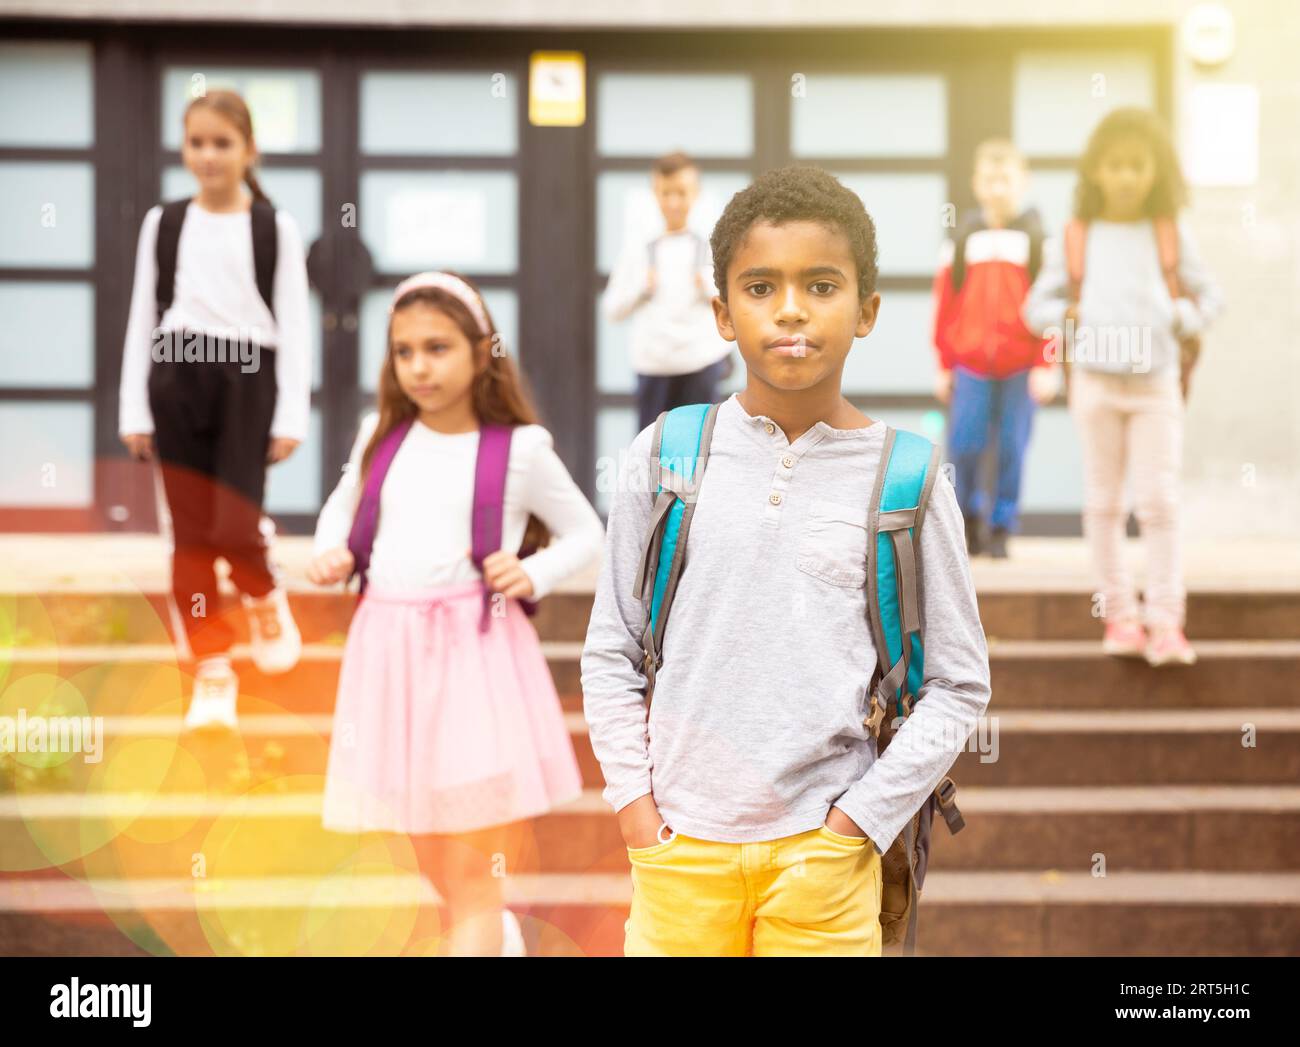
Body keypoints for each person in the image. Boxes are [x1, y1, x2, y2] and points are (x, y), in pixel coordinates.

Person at [581, 166, 992, 956]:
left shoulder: (907, 477)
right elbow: (612, 649)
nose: (792, 308)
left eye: (822, 284)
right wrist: (637, 809)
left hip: (824, 861)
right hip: (677, 858)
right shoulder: (666, 452)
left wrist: (856, 826)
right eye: (761, 287)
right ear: (722, 314)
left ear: (867, 311)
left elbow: (959, 678)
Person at [309, 270, 604, 957]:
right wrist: (329, 549)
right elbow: (340, 507)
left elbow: (587, 532)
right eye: (404, 350)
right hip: (388, 658)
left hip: (475, 663)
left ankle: (484, 925)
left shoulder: (518, 449)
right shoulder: (379, 435)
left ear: (481, 351)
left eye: (437, 348)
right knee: (423, 852)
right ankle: (492, 933)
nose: (418, 366)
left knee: (472, 863)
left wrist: (530, 571)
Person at [118, 88, 310, 730]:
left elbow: (295, 324)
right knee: (191, 535)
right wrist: (135, 408)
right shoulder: (164, 222)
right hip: (175, 374)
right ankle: (211, 669)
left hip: (247, 377)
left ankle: (262, 591)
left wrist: (290, 416)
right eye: (197, 142)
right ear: (184, 148)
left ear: (248, 150)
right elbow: (143, 314)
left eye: (222, 143)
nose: (208, 155)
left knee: (234, 520)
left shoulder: (271, 226)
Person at [1023, 108, 1223, 667]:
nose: (1128, 177)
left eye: (1138, 166)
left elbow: (1212, 300)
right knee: (1104, 504)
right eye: (1116, 166)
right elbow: (1034, 306)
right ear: (1097, 172)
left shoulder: (1170, 233)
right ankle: (1120, 617)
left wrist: (1177, 316)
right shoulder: (1076, 236)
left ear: (1156, 171)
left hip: (1155, 384)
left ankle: (1166, 624)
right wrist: (1072, 315)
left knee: (1159, 502)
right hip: (1094, 383)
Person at [932, 138, 1059, 558]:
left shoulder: (1039, 239)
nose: (998, 188)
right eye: (989, 179)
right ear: (976, 183)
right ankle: (967, 523)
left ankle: (1003, 526)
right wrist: (943, 362)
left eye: (1006, 179)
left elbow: (1055, 308)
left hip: (1021, 365)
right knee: (964, 445)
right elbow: (945, 305)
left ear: (1023, 183)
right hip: (970, 365)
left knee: (1010, 448)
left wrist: (1047, 363)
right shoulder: (964, 238)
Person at [601, 150, 734, 432]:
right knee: (653, 452)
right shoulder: (638, 245)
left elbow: (735, 301)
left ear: (696, 193)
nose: (673, 202)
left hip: (702, 363)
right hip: (654, 367)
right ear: (655, 193)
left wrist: (706, 285)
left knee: (703, 452)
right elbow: (611, 309)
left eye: (681, 193)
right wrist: (640, 287)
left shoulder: (715, 241)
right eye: (665, 193)